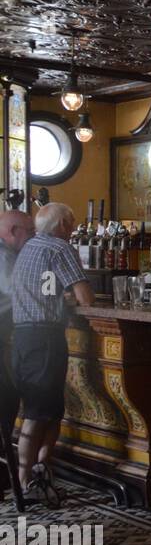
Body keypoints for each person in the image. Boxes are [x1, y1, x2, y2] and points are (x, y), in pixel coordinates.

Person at [10, 203, 93, 504]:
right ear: (60, 225)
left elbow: (44, 289)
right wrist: (76, 295)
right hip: (45, 338)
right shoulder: (60, 248)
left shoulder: (29, 247)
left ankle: (39, 475)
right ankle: (24, 482)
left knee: (45, 410)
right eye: (70, 222)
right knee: (38, 413)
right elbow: (86, 298)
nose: (73, 228)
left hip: (23, 337)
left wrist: (63, 294)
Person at [0, 210, 34, 504]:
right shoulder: (4, 255)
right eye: (28, 233)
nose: (31, 239)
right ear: (13, 231)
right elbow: (14, 290)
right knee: (7, 401)